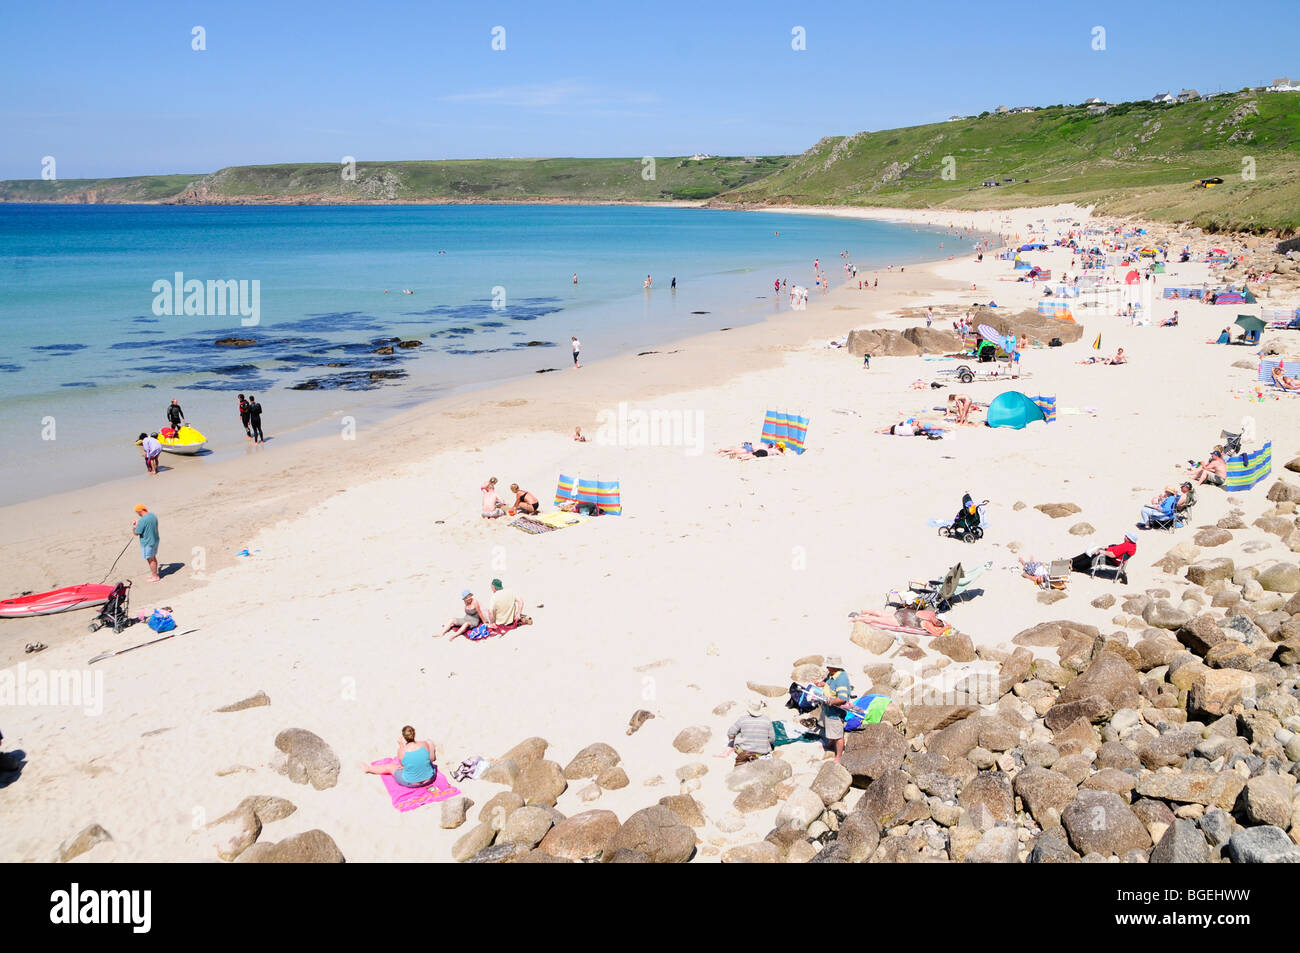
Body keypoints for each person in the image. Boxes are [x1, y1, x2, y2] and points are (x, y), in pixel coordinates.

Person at [362, 726, 437, 788]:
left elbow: (402, 765)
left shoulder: (401, 751)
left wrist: (401, 746)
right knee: (429, 743)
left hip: (411, 783)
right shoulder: (425, 744)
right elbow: (432, 759)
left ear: (404, 737)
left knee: (389, 767)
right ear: (414, 734)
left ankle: (368, 769)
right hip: (430, 778)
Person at [815, 657, 852, 763]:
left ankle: (838, 756)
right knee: (829, 728)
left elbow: (843, 698)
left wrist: (831, 702)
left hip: (835, 712)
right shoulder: (832, 673)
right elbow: (828, 681)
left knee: (838, 735)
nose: (827, 667)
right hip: (827, 709)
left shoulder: (841, 680)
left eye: (829, 666)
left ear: (835, 667)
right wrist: (821, 684)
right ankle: (831, 743)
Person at [726, 699, 776, 765]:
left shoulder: (743, 719)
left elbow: (730, 732)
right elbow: (772, 739)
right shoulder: (767, 720)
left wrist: (732, 739)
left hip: (743, 751)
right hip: (761, 753)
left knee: (738, 736)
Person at [1070, 532, 1137, 574]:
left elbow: (1112, 555)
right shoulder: (1133, 546)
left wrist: (1101, 551)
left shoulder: (1126, 546)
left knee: (1092, 556)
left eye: (1126, 536)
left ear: (1129, 539)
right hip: (1116, 559)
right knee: (1091, 552)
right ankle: (1073, 562)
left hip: (1113, 560)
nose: (1124, 536)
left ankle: (1075, 566)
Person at [132, 504, 161, 582]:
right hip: (155, 540)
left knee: (151, 559)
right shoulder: (152, 515)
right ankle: (154, 573)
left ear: (139, 511)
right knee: (153, 557)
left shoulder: (142, 520)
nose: (138, 514)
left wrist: (134, 526)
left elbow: (136, 533)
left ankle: (155, 576)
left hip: (148, 542)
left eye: (137, 512)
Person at [716, 441, 786, 460]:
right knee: (736, 451)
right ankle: (724, 453)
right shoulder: (767, 448)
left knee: (735, 450)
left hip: (749, 446)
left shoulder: (764, 444)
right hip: (750, 448)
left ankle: (723, 450)